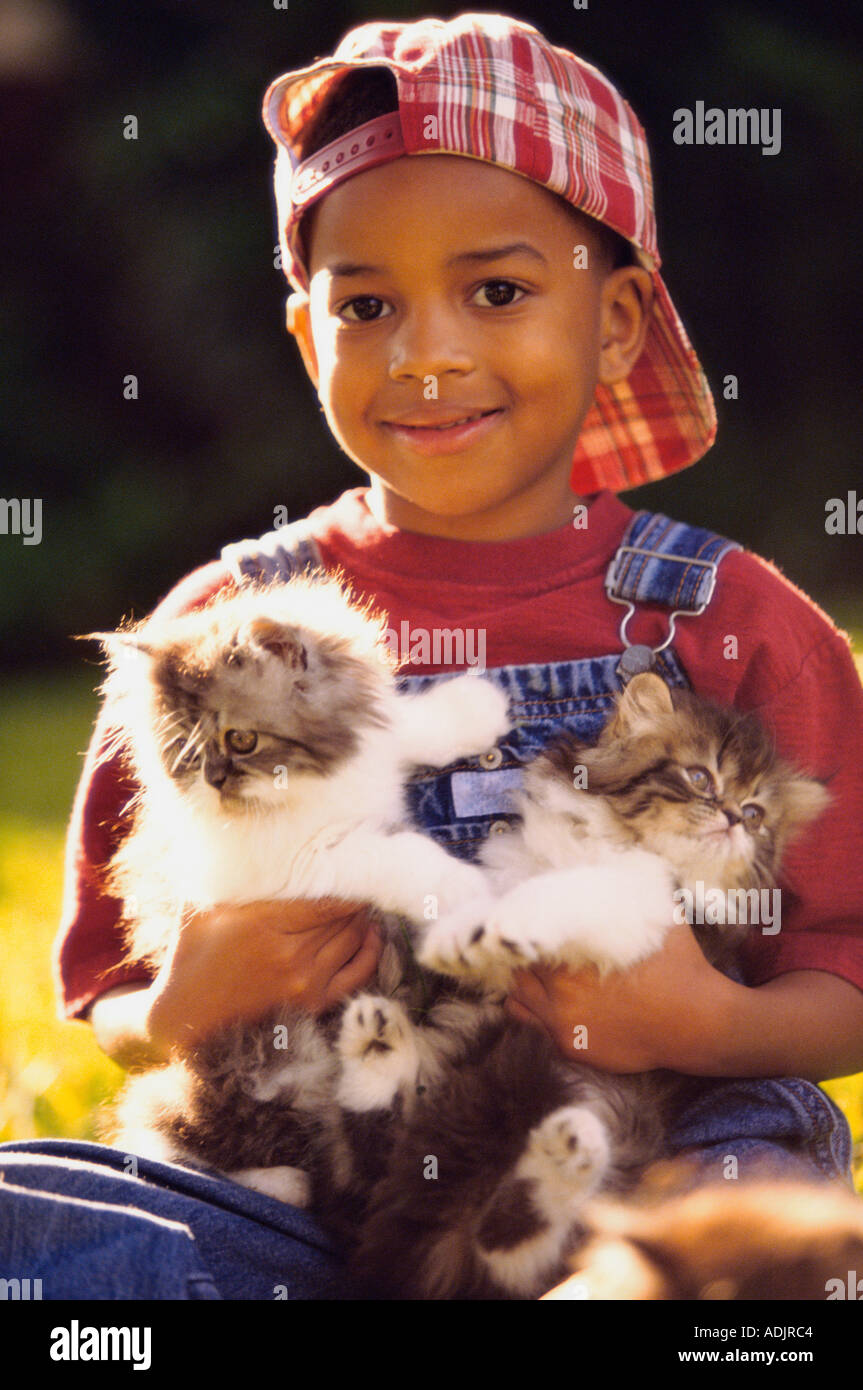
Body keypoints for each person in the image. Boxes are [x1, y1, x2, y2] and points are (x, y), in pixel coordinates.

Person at [3, 13, 862, 1300]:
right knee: (47, 1232)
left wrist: (713, 1025)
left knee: (762, 1217)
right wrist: (184, 1005)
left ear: (618, 320)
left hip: (633, 1153)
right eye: (364, 305)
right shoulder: (223, 629)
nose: (427, 352)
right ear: (307, 337)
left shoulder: (722, 618)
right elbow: (112, 1004)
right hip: (300, 1192)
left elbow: (843, 981)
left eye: (497, 290)